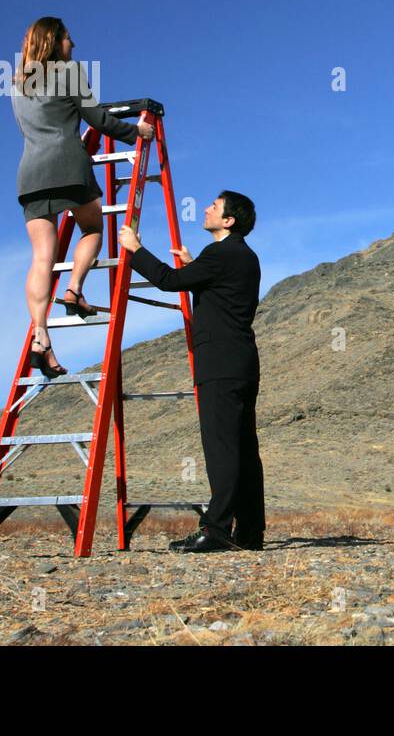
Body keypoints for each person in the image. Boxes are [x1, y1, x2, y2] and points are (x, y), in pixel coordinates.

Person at [118, 191, 264, 553]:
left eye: (215, 207)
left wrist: (135, 249)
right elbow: (216, 289)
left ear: (228, 220)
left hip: (219, 364)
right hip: (242, 362)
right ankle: (249, 532)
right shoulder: (244, 256)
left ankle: (215, 529)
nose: (207, 209)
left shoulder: (220, 254)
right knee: (244, 448)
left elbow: (168, 281)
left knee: (222, 449)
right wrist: (194, 265)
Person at [11, 16, 154, 377]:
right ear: (55, 42)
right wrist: (136, 131)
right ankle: (74, 288)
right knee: (92, 229)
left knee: (41, 257)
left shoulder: (18, 84)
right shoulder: (69, 72)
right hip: (67, 168)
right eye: (69, 38)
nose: (73, 44)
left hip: (30, 174)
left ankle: (40, 337)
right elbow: (98, 119)